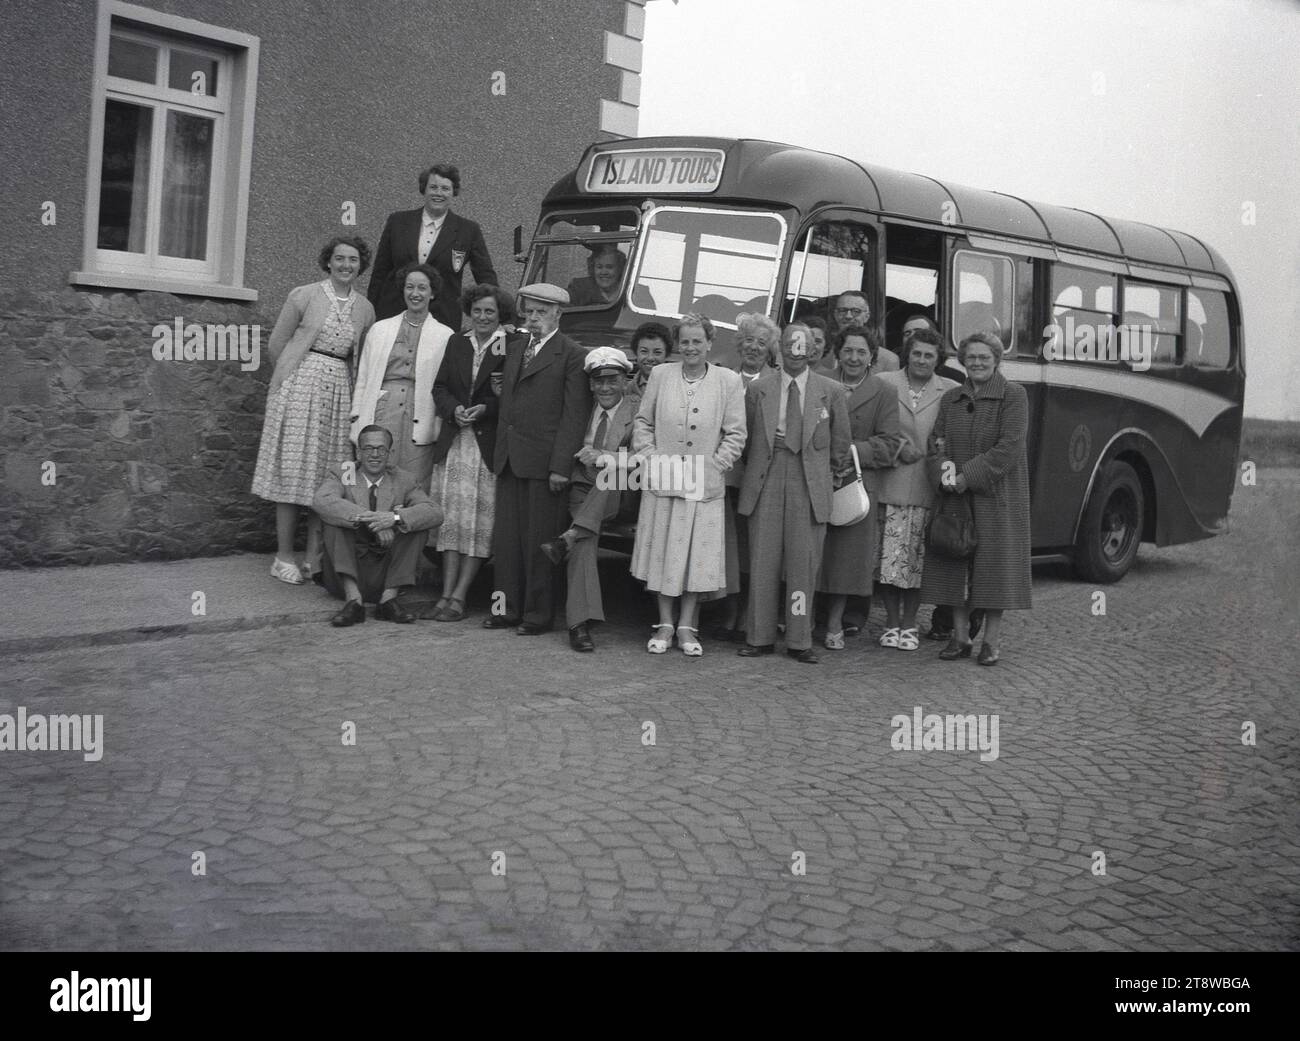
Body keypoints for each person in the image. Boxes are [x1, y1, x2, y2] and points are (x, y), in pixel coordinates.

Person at [253, 236, 376, 585]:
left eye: (353, 260)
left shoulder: (365, 308)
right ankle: (283, 556)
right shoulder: (303, 295)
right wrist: (292, 381)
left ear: (360, 265)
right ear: (328, 262)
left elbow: (361, 357)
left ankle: (314, 557)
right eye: (339, 259)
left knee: (325, 475)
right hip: (299, 387)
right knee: (293, 472)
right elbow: (278, 342)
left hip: (340, 393)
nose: (346, 265)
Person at [630, 314, 746, 656]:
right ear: (677, 345)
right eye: (685, 341)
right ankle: (665, 622)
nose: (691, 347)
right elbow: (643, 422)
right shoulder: (662, 375)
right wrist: (651, 458)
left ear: (709, 344)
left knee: (696, 554)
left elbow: (736, 433)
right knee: (665, 552)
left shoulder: (728, 380)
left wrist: (716, 465)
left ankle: (687, 625)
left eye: (697, 341)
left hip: (703, 482)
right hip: (664, 478)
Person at [738, 322, 851, 664]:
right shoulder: (760, 390)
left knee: (803, 565)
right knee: (763, 562)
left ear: (813, 351)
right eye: (790, 345)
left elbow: (841, 443)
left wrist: (823, 475)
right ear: (780, 349)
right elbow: (747, 441)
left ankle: (799, 639)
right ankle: (759, 636)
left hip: (809, 481)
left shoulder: (830, 391)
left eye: (803, 346)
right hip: (768, 477)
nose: (796, 352)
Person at [921, 331, 1032, 665]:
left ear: (997, 360)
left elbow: (1008, 448)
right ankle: (959, 638)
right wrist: (945, 475)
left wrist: (966, 477)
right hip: (954, 496)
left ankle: (991, 642)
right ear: (963, 361)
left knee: (993, 569)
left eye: (985, 357)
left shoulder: (1014, 396)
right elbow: (935, 443)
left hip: (997, 497)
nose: (978, 362)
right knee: (952, 562)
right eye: (972, 357)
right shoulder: (952, 399)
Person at [487, 283, 591, 634]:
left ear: (558, 315)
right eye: (529, 311)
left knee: (538, 544)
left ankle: (536, 615)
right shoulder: (515, 347)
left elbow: (574, 416)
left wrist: (561, 466)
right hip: (510, 460)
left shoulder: (572, 354)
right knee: (506, 543)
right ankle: (504, 609)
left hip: (545, 465)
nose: (533, 318)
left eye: (541, 312)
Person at [540, 347, 639, 652]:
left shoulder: (639, 411)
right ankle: (578, 624)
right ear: (590, 384)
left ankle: (567, 536)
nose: (605, 388)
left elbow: (647, 456)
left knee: (610, 474)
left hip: (622, 488)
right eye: (598, 381)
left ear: (625, 381)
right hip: (583, 487)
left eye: (612, 380)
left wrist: (606, 457)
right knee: (585, 541)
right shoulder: (581, 409)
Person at [425, 285, 512, 621]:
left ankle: (460, 596)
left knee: (478, 523)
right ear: (469, 312)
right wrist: (454, 410)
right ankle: (444, 594)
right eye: (477, 310)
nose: (483, 317)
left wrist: (483, 409)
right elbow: (440, 387)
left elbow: (510, 394)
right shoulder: (457, 342)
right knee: (451, 521)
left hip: (485, 447)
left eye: (490, 311)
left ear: (499, 314)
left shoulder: (509, 343)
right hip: (455, 444)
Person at [873, 328, 959, 650]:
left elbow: (954, 436)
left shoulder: (950, 390)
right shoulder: (884, 383)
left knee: (916, 563)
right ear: (907, 353)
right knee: (887, 561)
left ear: (938, 359)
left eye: (929, 355)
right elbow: (871, 429)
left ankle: (909, 624)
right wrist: (895, 450)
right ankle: (891, 622)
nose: (922, 360)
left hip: (926, 488)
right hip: (890, 482)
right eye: (917, 353)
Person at [816, 327, 902, 649]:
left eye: (861, 352)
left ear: (871, 357)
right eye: (848, 350)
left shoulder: (883, 391)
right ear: (838, 352)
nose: (853, 357)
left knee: (844, 558)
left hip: (856, 483)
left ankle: (836, 620)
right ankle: (805, 615)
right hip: (816, 478)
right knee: (813, 552)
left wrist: (850, 451)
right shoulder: (819, 381)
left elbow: (890, 443)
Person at [312, 425, 443, 626]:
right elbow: (322, 500)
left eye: (381, 449)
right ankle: (353, 601)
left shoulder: (403, 479)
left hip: (385, 574)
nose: (375, 455)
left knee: (415, 524)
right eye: (368, 448)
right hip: (345, 572)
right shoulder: (345, 472)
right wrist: (373, 520)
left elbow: (434, 512)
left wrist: (394, 518)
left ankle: (388, 600)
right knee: (335, 521)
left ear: (390, 453)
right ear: (358, 452)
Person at [351, 263, 454, 492]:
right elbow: (364, 378)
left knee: (414, 480)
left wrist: (438, 422)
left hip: (421, 411)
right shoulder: (380, 329)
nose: (415, 293)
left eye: (422, 288)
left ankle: (408, 524)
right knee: (376, 472)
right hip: (383, 408)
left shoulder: (445, 335)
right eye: (409, 287)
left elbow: (446, 384)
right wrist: (356, 416)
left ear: (432, 293)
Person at [367, 162, 497, 328]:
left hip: (442, 319)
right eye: (433, 187)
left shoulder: (469, 230)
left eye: (445, 188)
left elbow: (485, 275)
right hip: (393, 314)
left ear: (453, 192)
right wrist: (371, 311)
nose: (439, 193)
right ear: (424, 189)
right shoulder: (398, 222)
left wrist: (501, 313)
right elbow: (380, 272)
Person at [831, 291, 899, 373]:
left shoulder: (888, 360)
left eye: (856, 311)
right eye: (842, 310)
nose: (848, 316)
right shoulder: (821, 354)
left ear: (867, 316)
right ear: (835, 315)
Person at [624, 321, 673, 411]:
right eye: (644, 351)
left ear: (666, 355)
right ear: (636, 353)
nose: (650, 358)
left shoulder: (677, 390)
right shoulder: (627, 390)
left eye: (657, 352)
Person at [734, 312, 779, 385]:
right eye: (749, 340)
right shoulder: (726, 377)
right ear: (740, 344)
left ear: (769, 351)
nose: (753, 347)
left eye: (761, 343)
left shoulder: (777, 383)